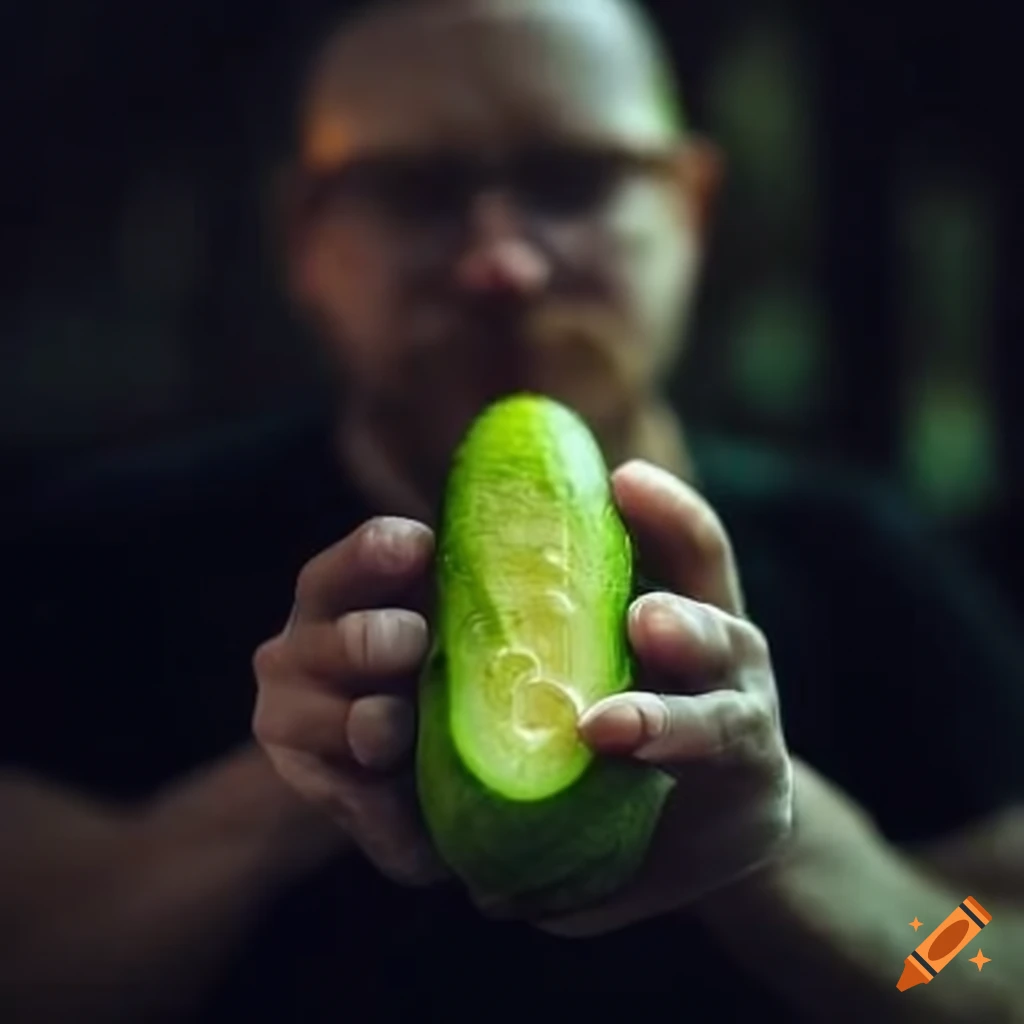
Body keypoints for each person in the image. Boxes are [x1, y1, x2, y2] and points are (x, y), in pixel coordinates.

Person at [3, 0, 1023, 1021]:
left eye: (573, 179)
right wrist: (267, 806)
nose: (503, 264)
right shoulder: (100, 562)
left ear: (690, 208)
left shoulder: (873, 570)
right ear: (302, 235)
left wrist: (798, 861)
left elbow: (989, 970)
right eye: (416, 191)